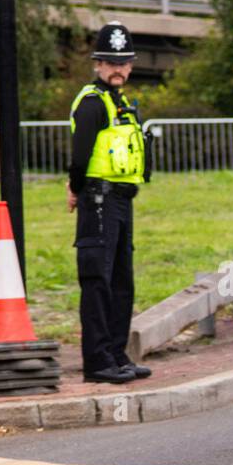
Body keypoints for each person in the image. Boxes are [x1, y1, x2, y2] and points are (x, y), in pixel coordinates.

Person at [68, 21, 153, 383]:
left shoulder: (122, 104)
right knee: (98, 281)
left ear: (130, 66)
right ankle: (97, 362)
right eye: (110, 62)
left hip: (121, 201)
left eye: (123, 62)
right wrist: (76, 189)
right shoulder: (92, 103)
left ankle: (117, 355)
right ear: (97, 64)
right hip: (98, 201)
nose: (118, 69)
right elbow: (79, 156)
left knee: (122, 282)